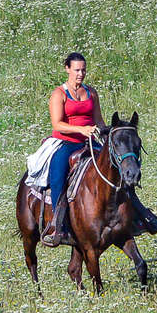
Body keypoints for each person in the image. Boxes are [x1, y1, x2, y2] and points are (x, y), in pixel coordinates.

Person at [42, 51, 102, 247]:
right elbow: (57, 124)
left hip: (89, 141)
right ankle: (59, 224)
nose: (80, 74)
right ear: (67, 69)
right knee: (58, 173)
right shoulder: (59, 94)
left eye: (83, 70)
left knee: (116, 165)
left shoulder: (91, 92)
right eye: (76, 70)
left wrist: (107, 132)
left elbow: (99, 120)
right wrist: (81, 129)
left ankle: (136, 213)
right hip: (66, 142)